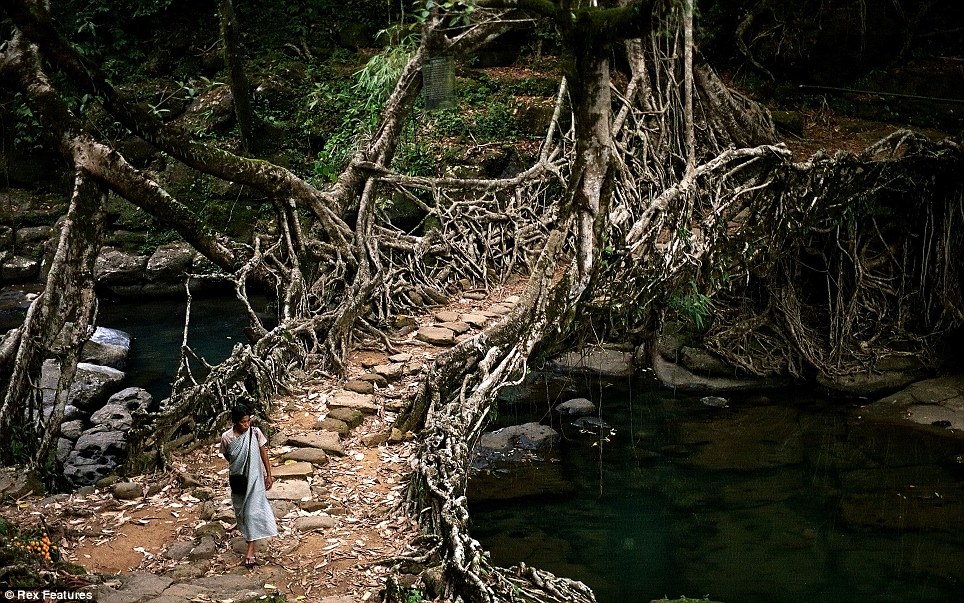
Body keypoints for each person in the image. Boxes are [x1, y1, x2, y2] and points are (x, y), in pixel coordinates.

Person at [220, 403, 277, 569]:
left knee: (252, 511)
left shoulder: (255, 433)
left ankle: (250, 550)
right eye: (243, 422)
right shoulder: (227, 437)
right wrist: (240, 464)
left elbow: (263, 452)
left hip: (255, 477)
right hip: (238, 478)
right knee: (241, 510)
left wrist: (268, 475)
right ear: (235, 422)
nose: (246, 424)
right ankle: (249, 534)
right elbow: (228, 455)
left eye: (248, 421)